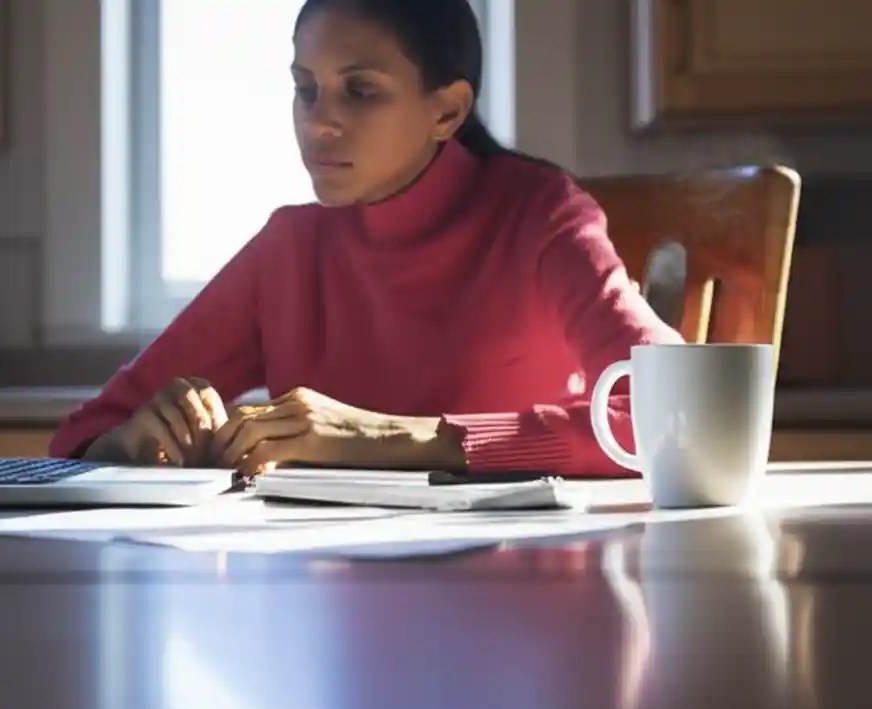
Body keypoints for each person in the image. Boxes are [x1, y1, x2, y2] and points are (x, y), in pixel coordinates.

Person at [49, 0, 683, 478]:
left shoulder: (542, 216)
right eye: (305, 88)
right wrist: (126, 444)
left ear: (447, 112)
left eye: (360, 91)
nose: (318, 122)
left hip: (523, 607)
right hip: (323, 620)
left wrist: (388, 436)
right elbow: (82, 434)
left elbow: (670, 416)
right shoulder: (290, 248)